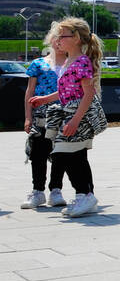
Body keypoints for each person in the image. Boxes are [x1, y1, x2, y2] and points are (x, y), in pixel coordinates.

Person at [28, 18, 103, 218]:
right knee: (71, 155)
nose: (58, 39)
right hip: (67, 114)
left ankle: (84, 195)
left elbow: (88, 93)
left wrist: (76, 120)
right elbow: (66, 91)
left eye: (63, 36)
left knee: (67, 154)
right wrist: (44, 99)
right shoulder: (70, 61)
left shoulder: (82, 62)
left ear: (76, 38)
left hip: (76, 116)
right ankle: (84, 195)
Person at [20, 26, 68, 209]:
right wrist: (27, 117)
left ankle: (56, 190)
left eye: (62, 38)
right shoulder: (38, 64)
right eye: (56, 38)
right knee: (38, 154)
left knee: (60, 154)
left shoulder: (73, 64)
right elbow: (29, 92)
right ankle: (37, 191)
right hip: (40, 115)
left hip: (65, 115)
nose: (58, 42)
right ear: (50, 40)